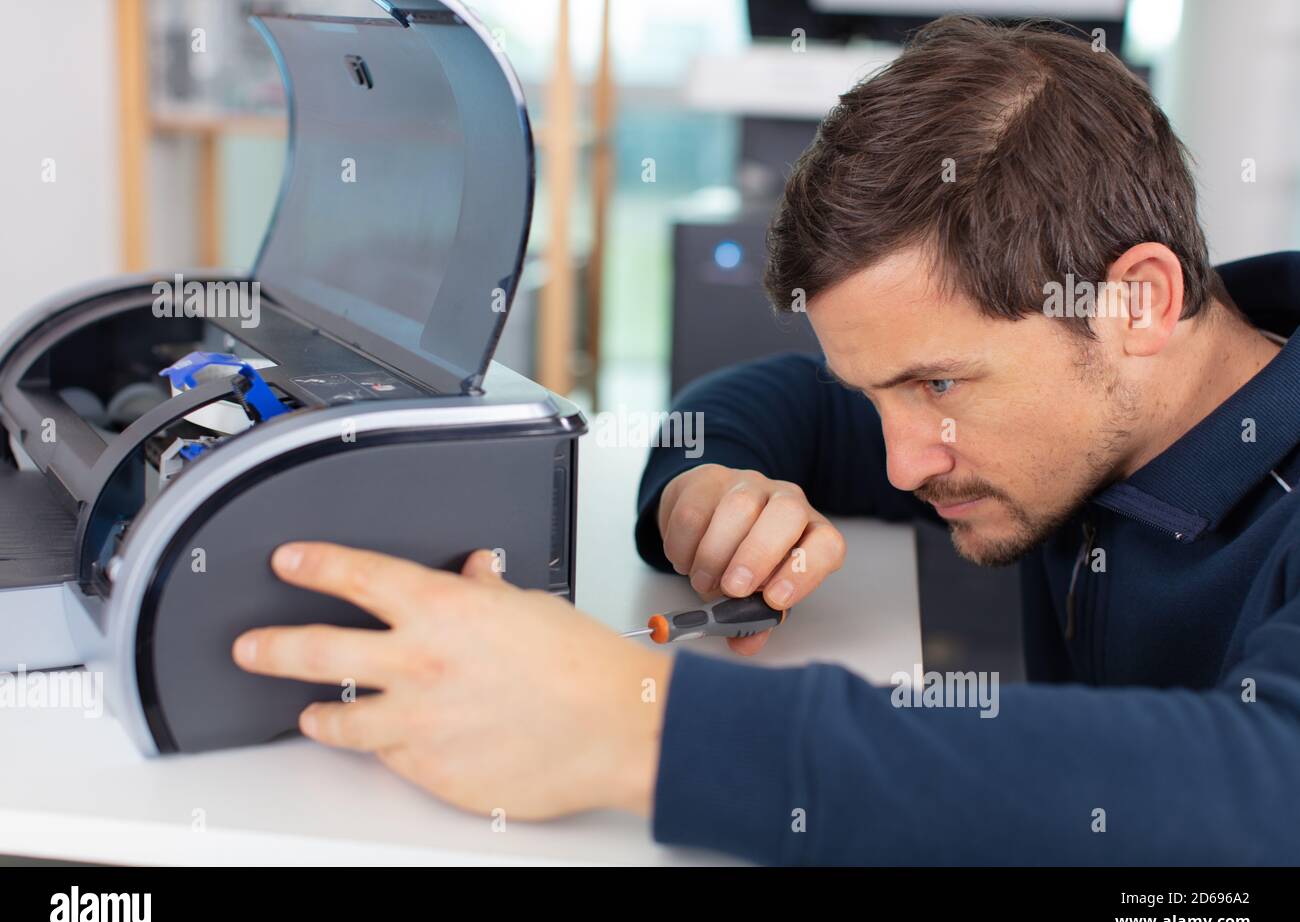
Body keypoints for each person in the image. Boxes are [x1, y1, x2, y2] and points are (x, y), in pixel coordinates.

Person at [233, 16, 1300, 864]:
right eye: (879, 391)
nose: (899, 461)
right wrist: (701, 488)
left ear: (1139, 304)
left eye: (938, 382)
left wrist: (641, 726)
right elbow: (775, 399)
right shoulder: (1121, 392)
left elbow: (1262, 787)